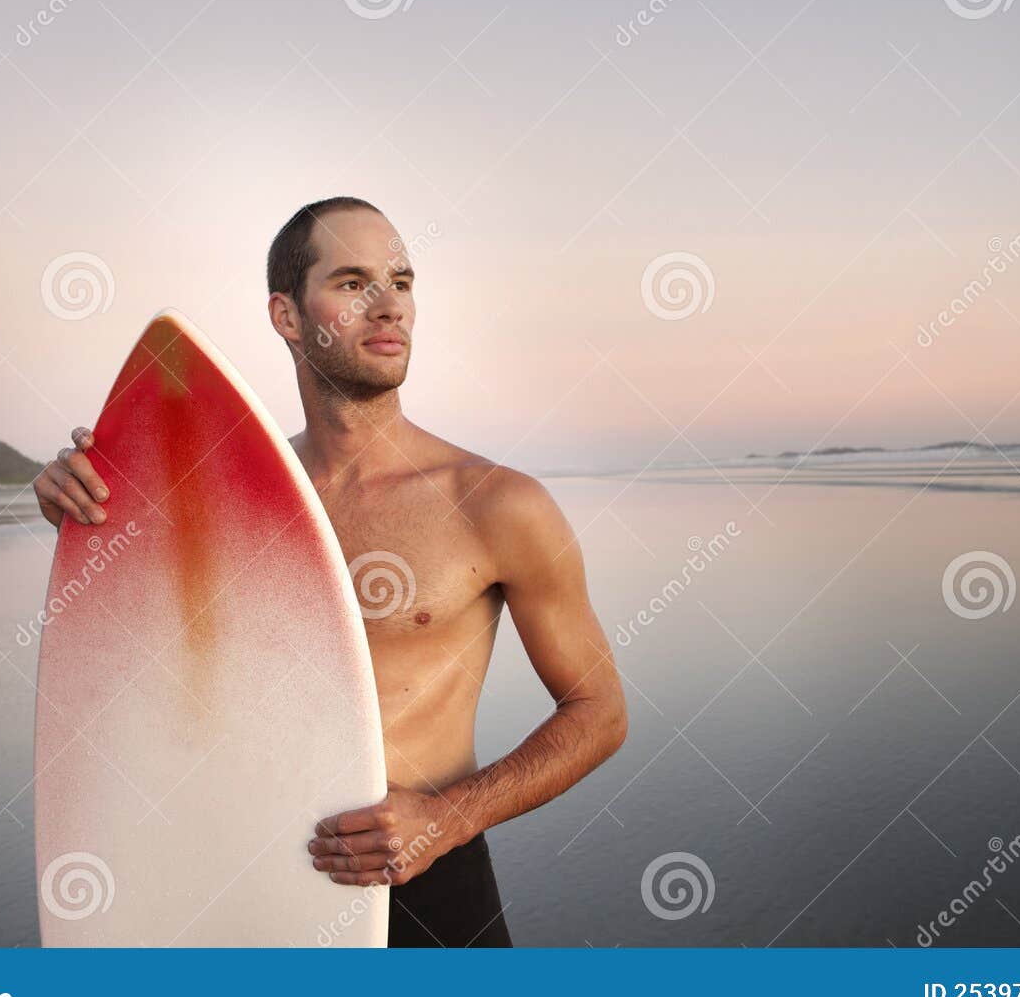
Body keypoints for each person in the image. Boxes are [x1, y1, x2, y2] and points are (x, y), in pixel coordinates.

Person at [31, 196, 627, 947]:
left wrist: (448, 818)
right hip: (260, 884)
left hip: (430, 885)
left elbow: (600, 711)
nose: (389, 306)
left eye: (401, 282)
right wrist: (86, 509)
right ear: (286, 315)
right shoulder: (230, 502)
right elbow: (156, 664)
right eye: (352, 283)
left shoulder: (495, 503)